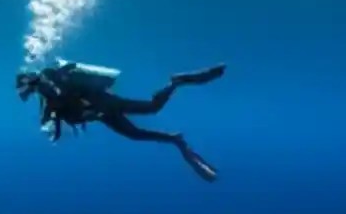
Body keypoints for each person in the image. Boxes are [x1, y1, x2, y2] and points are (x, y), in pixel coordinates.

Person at [16, 60, 225, 182]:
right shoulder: (50, 93)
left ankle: (175, 86)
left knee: (148, 115)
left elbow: (58, 108)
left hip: (106, 106)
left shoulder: (52, 89)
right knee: (142, 125)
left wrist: (51, 124)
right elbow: (58, 113)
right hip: (104, 111)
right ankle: (173, 132)